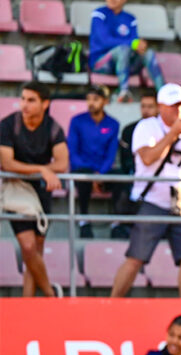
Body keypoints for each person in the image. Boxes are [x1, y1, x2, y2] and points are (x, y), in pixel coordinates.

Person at [110, 84, 181, 298]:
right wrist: (173, 134)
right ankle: (113, 303)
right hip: (152, 201)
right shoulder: (146, 127)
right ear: (161, 106)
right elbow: (148, 157)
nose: (178, 110)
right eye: (173, 106)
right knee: (136, 258)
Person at [0, 81, 67, 297]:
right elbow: (8, 164)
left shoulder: (53, 127)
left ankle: (28, 304)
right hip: (16, 190)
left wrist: (43, 172)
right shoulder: (8, 125)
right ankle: (49, 294)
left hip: (42, 191)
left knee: (36, 251)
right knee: (28, 247)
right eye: (22, 99)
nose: (24, 104)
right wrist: (42, 170)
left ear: (45, 103)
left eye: (31, 100)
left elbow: (62, 163)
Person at [67, 85, 120, 239]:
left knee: (121, 177)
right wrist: (92, 174)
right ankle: (84, 220)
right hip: (82, 169)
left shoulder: (113, 124)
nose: (91, 103)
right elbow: (73, 152)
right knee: (83, 176)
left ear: (105, 101)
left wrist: (100, 174)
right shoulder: (77, 121)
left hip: (102, 171)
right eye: (89, 99)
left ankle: (117, 223)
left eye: (95, 99)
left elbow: (111, 155)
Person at [89, 0, 164, 103]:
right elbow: (104, 40)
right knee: (123, 49)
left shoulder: (130, 18)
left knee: (148, 53)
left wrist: (140, 46)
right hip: (101, 63)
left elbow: (135, 45)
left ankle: (163, 94)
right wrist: (132, 43)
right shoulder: (99, 14)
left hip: (125, 64)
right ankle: (123, 92)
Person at [114, 91, 159, 239]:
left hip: (159, 177)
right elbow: (126, 159)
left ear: (159, 108)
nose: (146, 110)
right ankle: (121, 225)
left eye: (150, 106)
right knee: (120, 180)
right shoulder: (129, 130)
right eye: (143, 106)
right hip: (135, 174)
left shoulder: (166, 130)